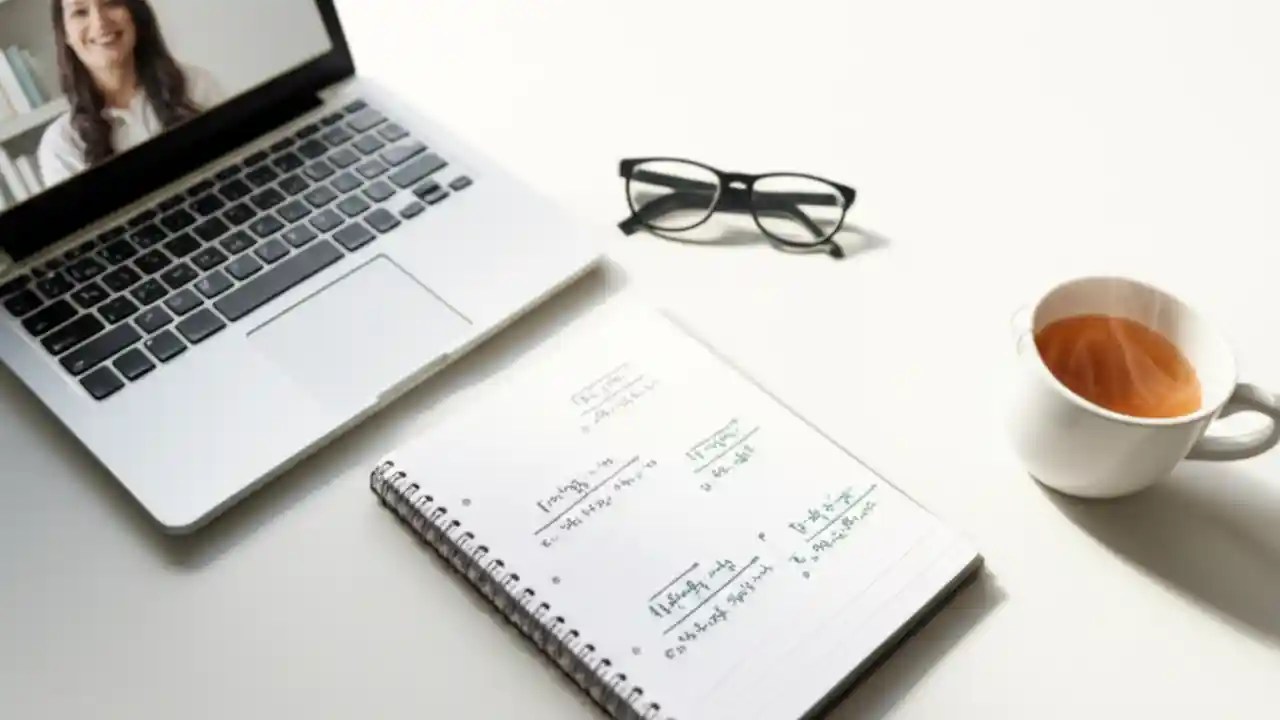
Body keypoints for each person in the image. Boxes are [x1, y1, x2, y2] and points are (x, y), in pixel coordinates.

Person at [38, 0, 225, 187]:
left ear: (135, 13)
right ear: (65, 35)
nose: (100, 23)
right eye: (80, 12)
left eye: (111, 3)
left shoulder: (194, 86)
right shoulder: (61, 144)